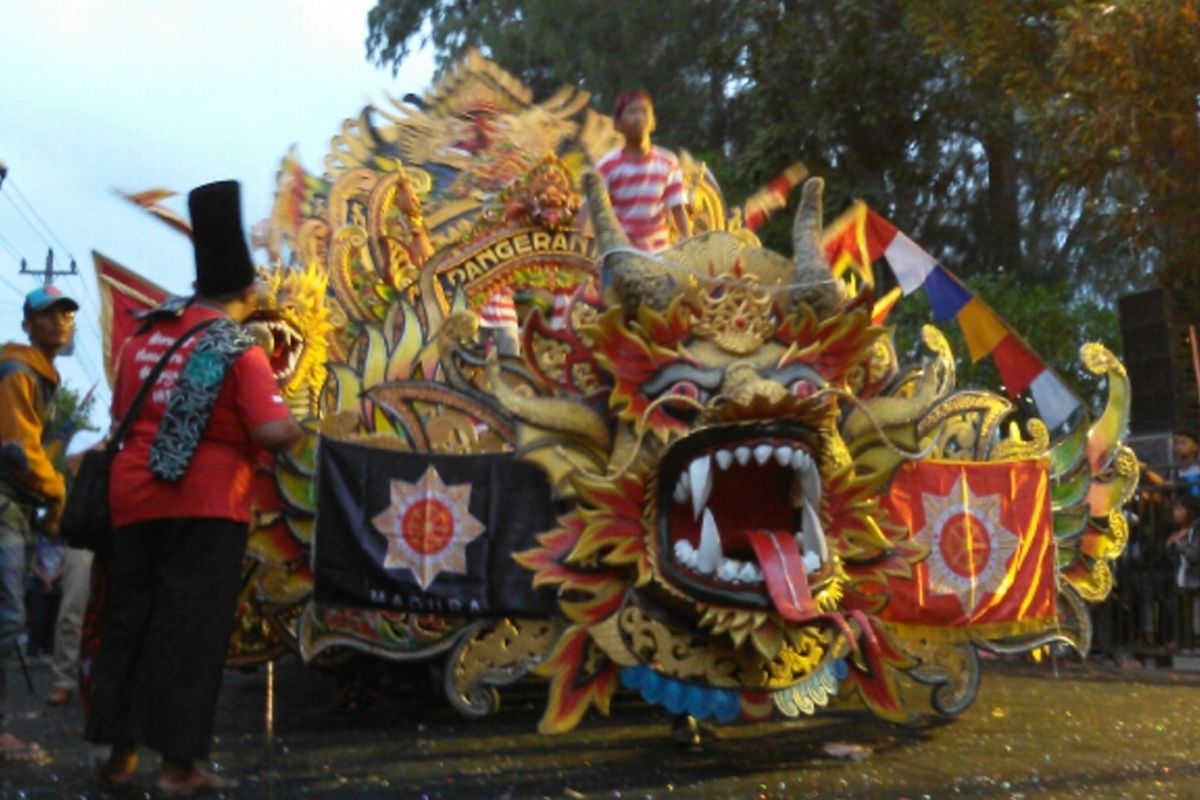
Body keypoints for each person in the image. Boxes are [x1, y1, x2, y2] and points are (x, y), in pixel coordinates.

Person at [87, 180, 303, 794]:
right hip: (207, 506)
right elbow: (269, 426)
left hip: (132, 500)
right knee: (190, 631)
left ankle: (118, 757)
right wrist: (299, 431)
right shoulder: (237, 346)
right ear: (247, 291)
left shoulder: (144, 335)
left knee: (132, 621)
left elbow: (121, 417)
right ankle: (179, 767)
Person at [0, 284, 78, 764]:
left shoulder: (39, 373)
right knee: (6, 618)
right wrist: (57, 493)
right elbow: (17, 452)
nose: (61, 322)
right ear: (28, 324)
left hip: (14, 508)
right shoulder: (19, 371)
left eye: (67, 313)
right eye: (48, 315)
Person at [595, 89, 691, 253]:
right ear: (618, 124)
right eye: (632, 112)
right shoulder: (606, 167)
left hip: (660, 255)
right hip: (621, 255)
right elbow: (594, 212)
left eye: (645, 111)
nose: (639, 117)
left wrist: (689, 242)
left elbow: (678, 209)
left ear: (653, 122)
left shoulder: (669, 163)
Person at [1166, 496, 1200, 651]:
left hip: (1195, 579)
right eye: (1175, 509)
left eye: (1179, 509)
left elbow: (1194, 554)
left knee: (1195, 618)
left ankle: (1193, 646)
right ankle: (1183, 643)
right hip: (1182, 579)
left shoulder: (1196, 530)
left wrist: (1178, 543)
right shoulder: (1177, 530)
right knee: (1182, 615)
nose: (1175, 513)